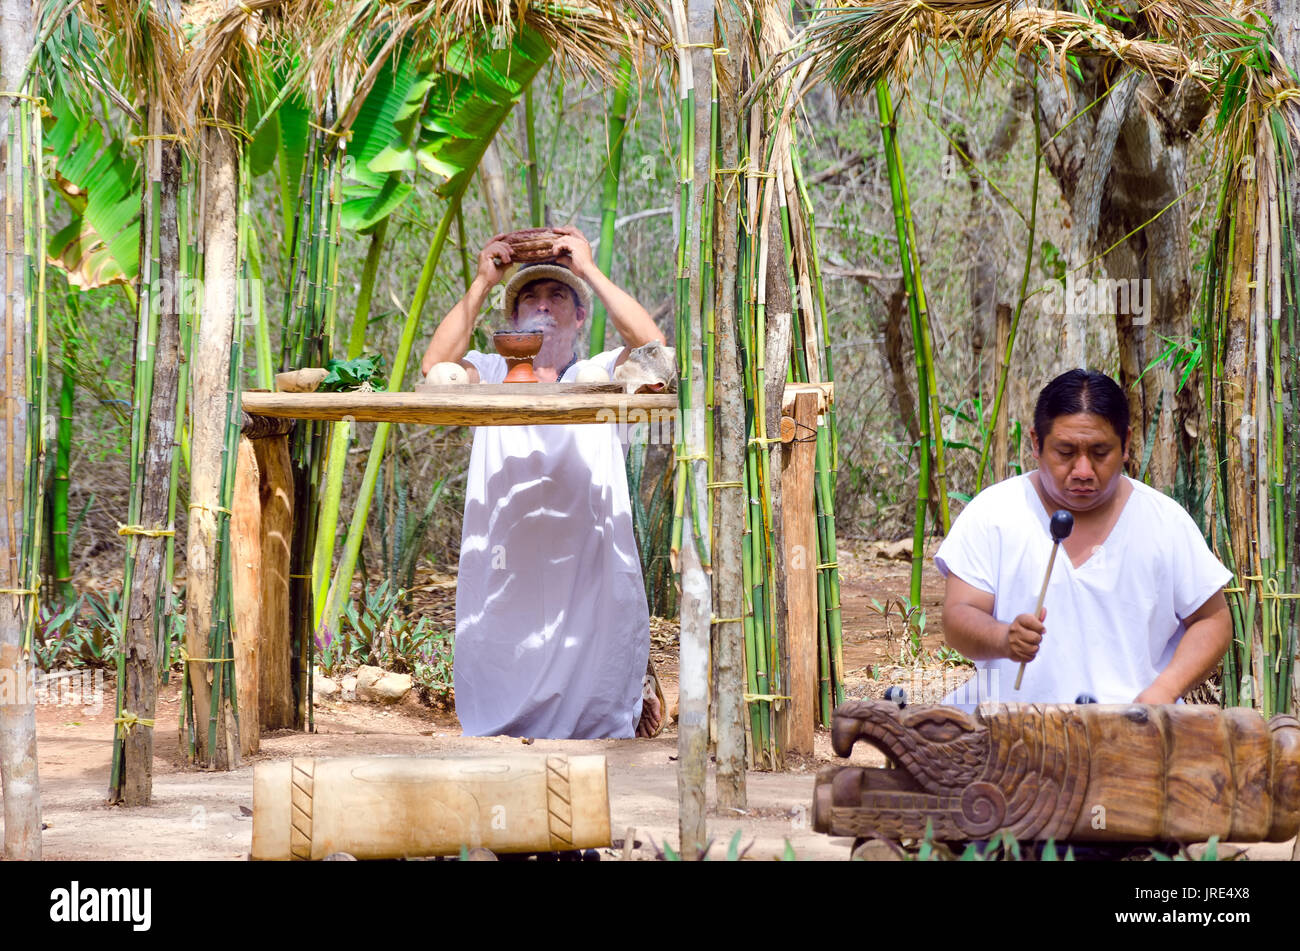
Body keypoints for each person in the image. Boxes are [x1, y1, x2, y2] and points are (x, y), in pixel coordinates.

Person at [420, 226, 667, 739]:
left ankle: (618, 706)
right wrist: (484, 281)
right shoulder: (489, 372)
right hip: (506, 574)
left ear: (579, 317)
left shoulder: (600, 373)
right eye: (529, 297)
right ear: (512, 320)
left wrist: (589, 271)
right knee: (501, 693)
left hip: (588, 577)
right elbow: (435, 369)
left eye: (558, 295)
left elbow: (653, 350)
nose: (542, 305)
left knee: (597, 703)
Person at [936, 369, 1232, 708]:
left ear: (1126, 444)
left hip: (1133, 732)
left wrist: (1162, 692)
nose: (1083, 471)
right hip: (1006, 726)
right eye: (1065, 452)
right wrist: (1003, 638)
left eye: (1100, 452)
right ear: (1036, 442)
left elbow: (1213, 620)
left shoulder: (1165, 522)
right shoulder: (994, 513)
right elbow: (959, 615)